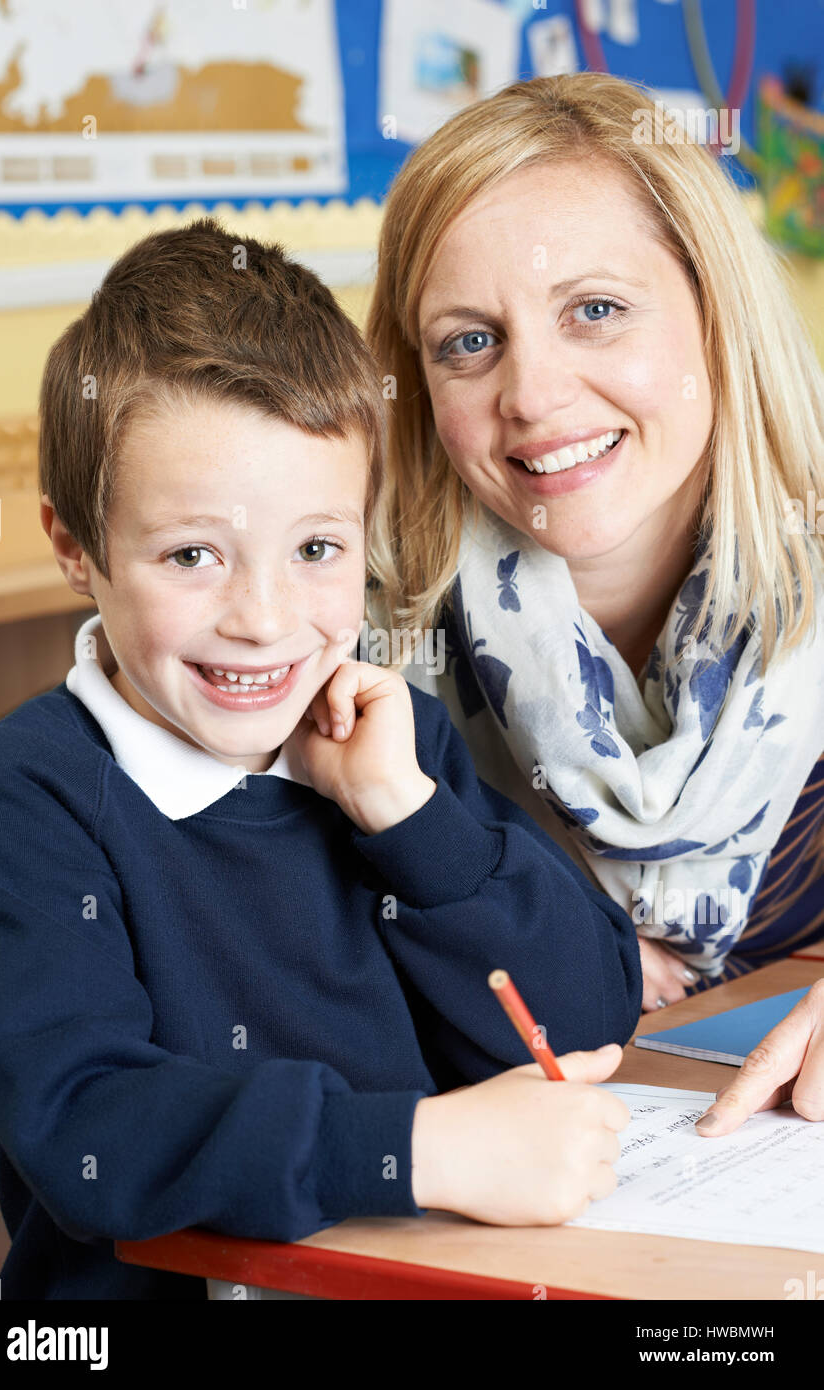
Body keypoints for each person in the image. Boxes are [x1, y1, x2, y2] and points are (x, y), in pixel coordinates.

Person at [0, 219, 641, 1300]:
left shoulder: (387, 741)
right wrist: (417, 1150)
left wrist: (409, 819)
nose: (264, 620)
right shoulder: (35, 794)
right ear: (74, 545)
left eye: (317, 548)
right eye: (192, 555)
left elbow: (590, 1016)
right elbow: (84, 1126)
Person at [364, 72, 824, 1135]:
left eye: (597, 311)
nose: (531, 394)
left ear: (716, 315)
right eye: (469, 341)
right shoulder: (357, 648)